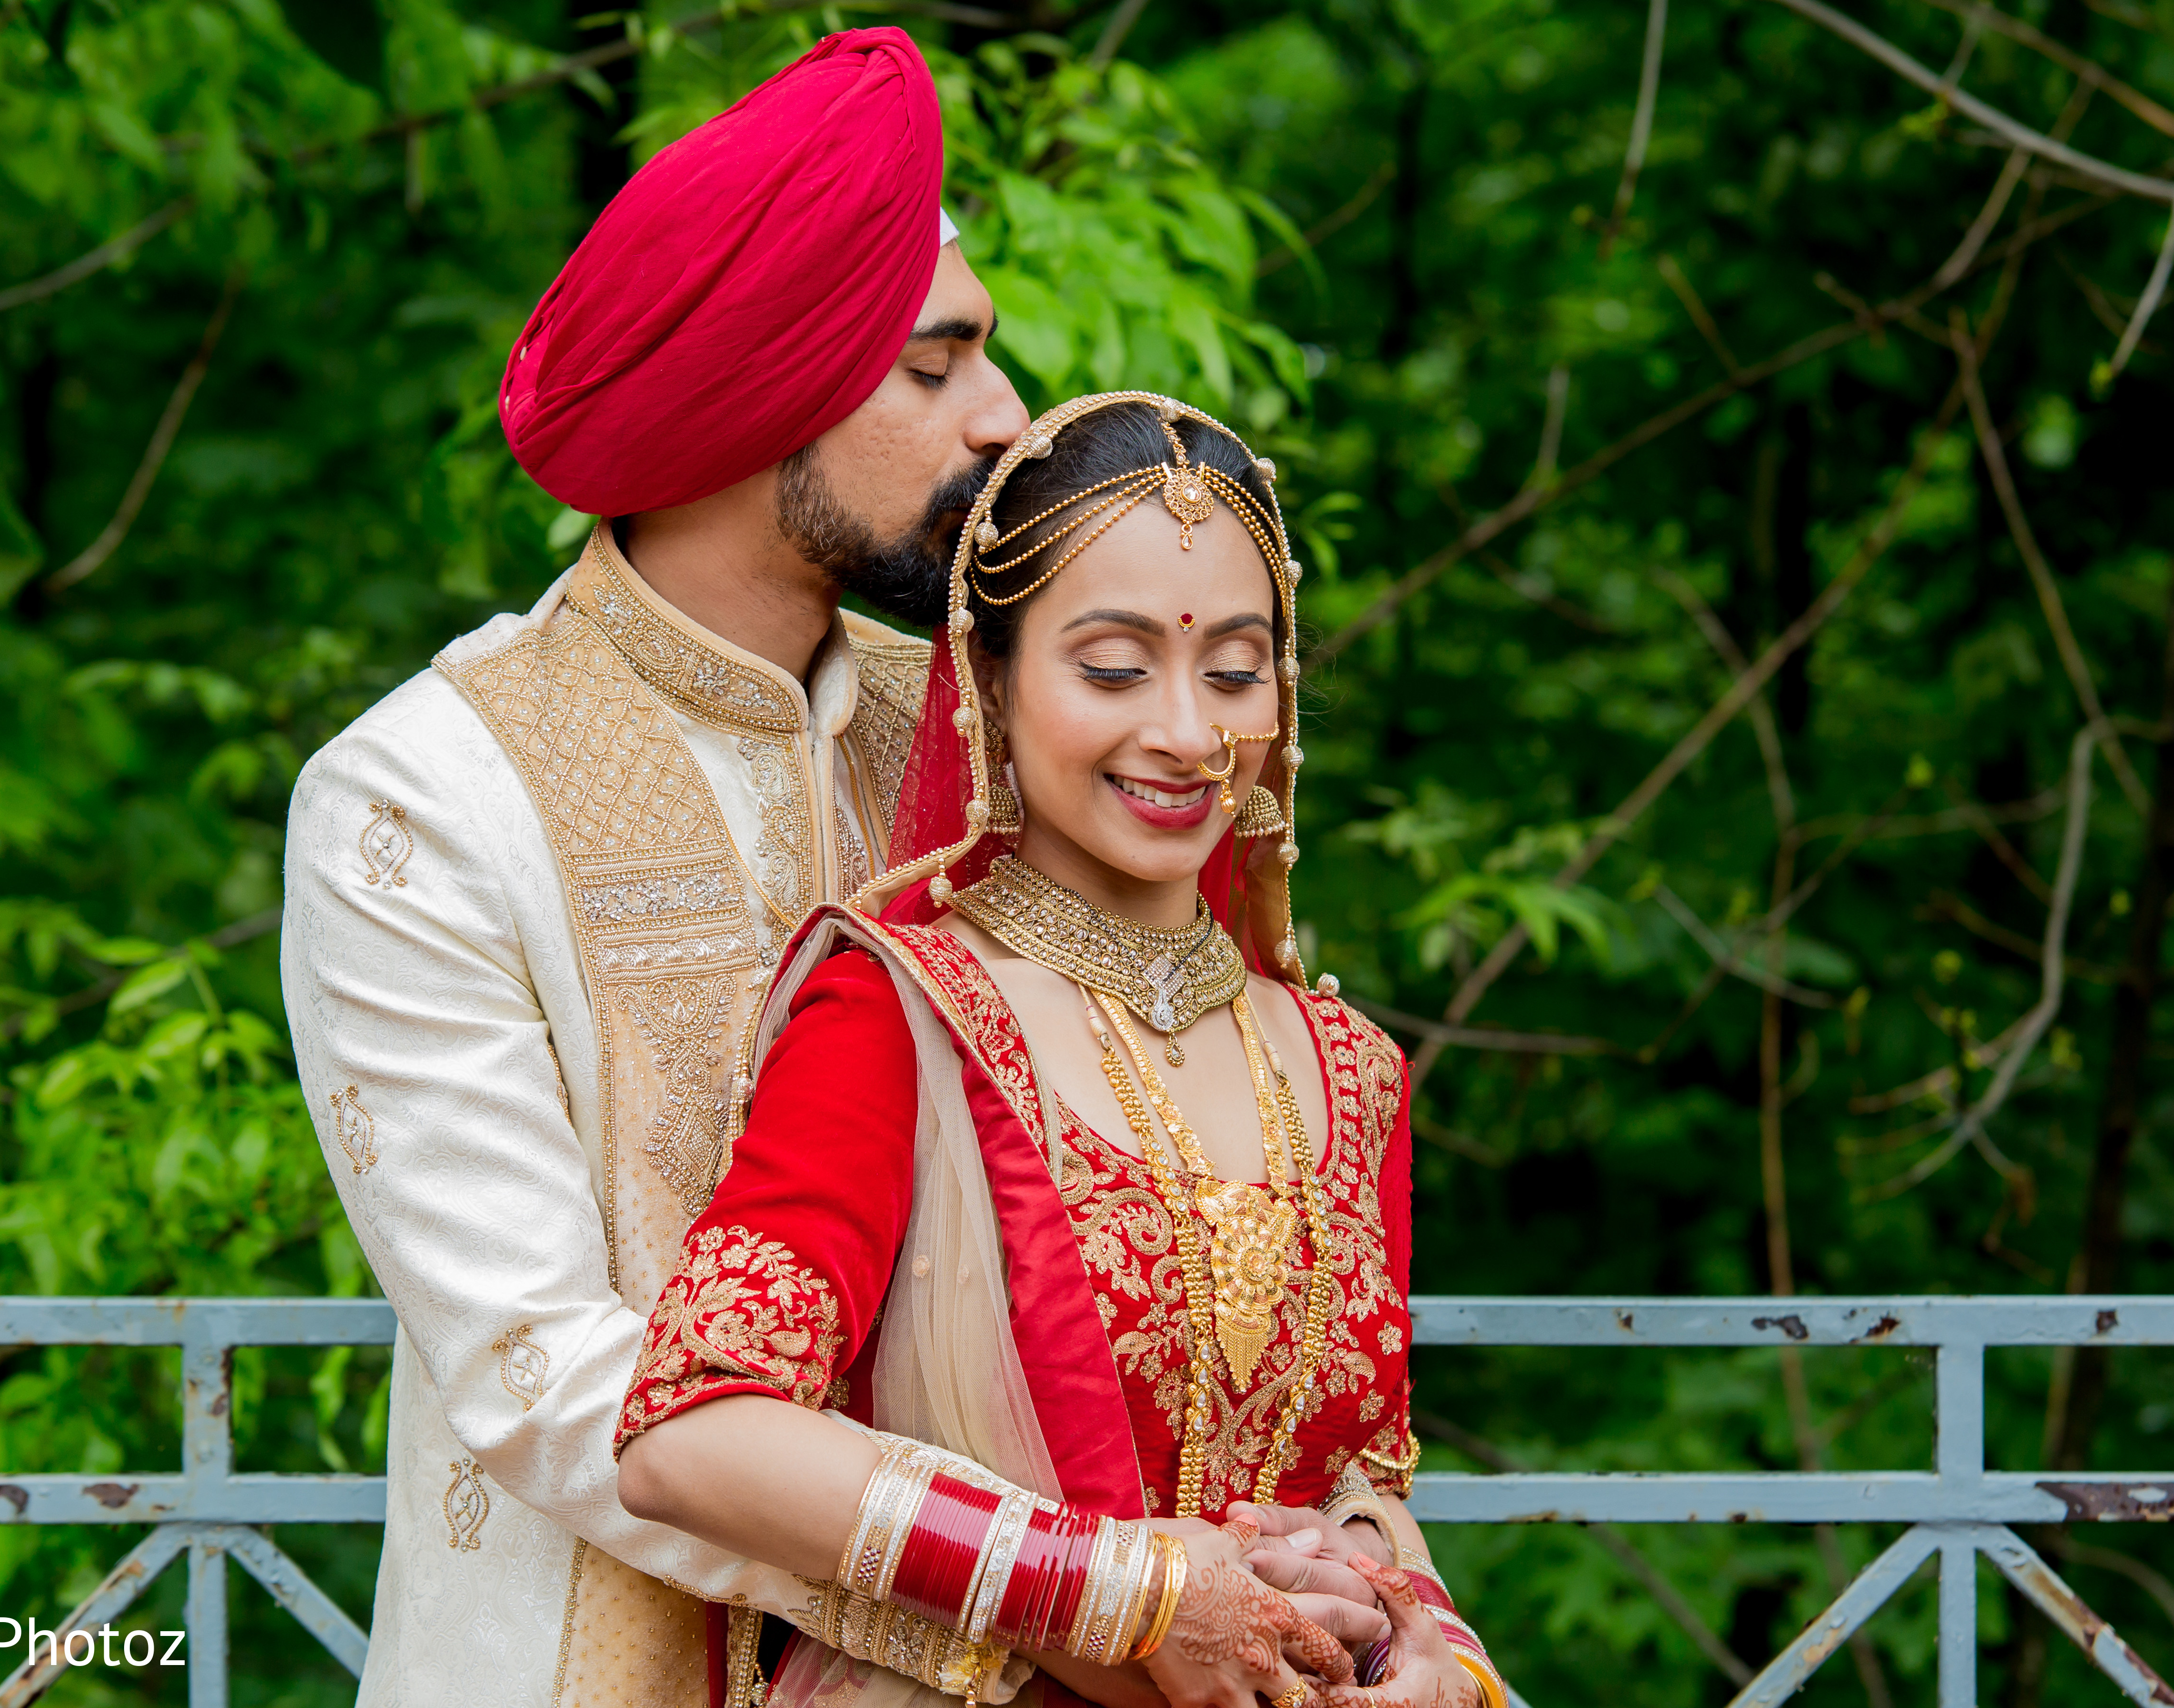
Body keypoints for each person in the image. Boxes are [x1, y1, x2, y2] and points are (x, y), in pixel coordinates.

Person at [280, 27, 1033, 1707]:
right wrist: (1055, 1590)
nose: (1006, 416)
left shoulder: (985, 741)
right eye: (935, 368)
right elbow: (546, 1378)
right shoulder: (423, 797)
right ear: (765, 395)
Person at [611, 394, 1509, 1708]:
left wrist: (1436, 1647)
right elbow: (690, 1431)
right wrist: (1123, 1592)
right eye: (1114, 669)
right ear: (990, 682)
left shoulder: (1349, 1065)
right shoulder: (903, 1015)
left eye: (1236, 671)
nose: (1189, 734)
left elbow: (1360, 1482)